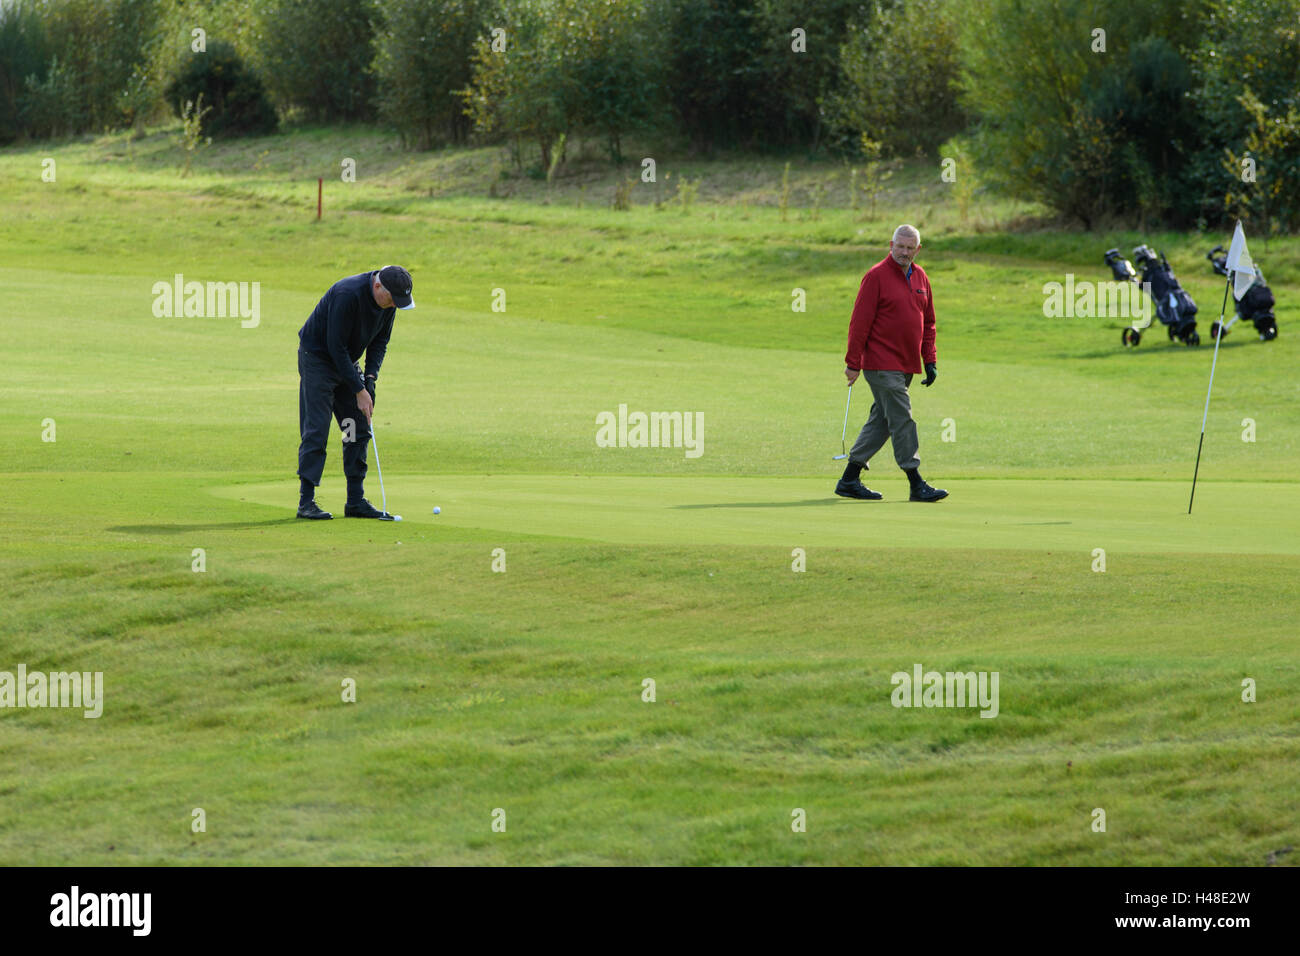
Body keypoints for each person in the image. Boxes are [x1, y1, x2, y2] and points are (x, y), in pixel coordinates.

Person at [835, 225, 948, 503]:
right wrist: (853, 362)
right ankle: (915, 481)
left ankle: (849, 479)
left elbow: (929, 323)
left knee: (883, 421)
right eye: (900, 246)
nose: (904, 252)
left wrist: (929, 359)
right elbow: (858, 323)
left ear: (918, 250)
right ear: (891, 244)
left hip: (906, 364)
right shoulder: (876, 277)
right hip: (880, 363)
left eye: (910, 248)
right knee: (902, 418)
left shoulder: (921, 277)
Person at [296, 265, 414, 519]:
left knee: (355, 428)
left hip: (346, 361)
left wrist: (370, 380)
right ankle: (306, 501)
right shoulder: (347, 294)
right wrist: (358, 389)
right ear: (378, 286)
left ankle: (355, 501)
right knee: (317, 428)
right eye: (392, 298)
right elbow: (334, 346)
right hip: (318, 359)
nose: (394, 304)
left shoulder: (388, 305)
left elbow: (380, 342)